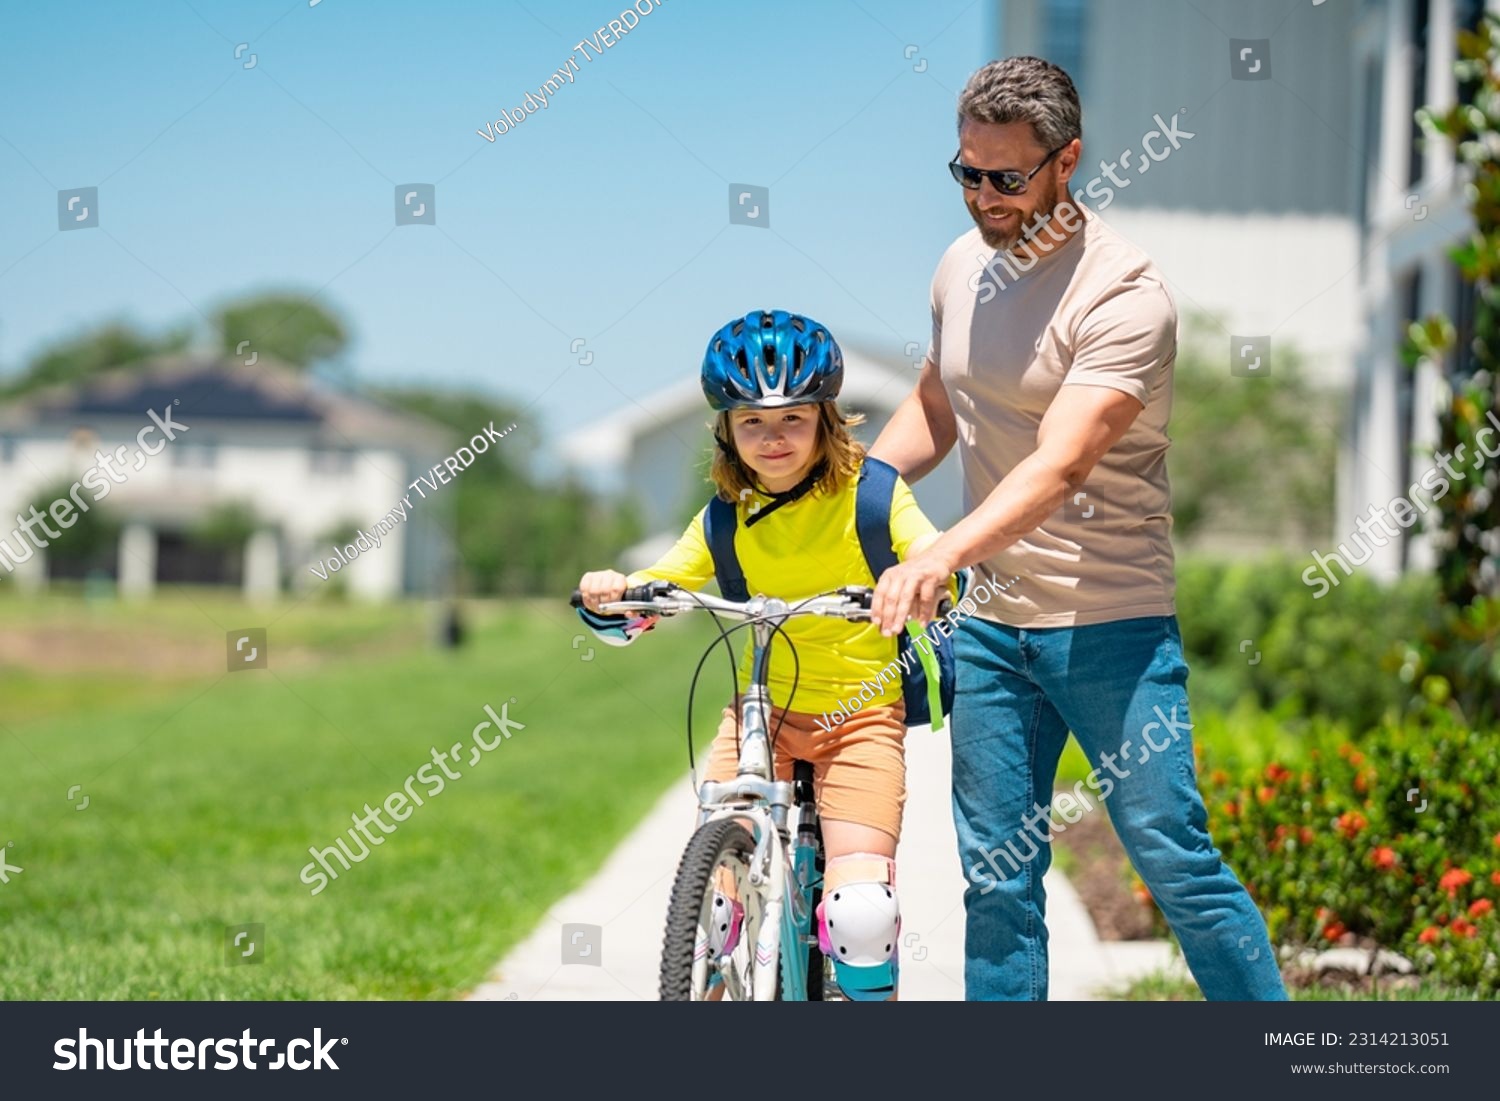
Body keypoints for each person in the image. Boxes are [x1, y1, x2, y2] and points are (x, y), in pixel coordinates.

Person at [866, 57, 1288, 1000]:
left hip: (1114, 630)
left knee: (1175, 862)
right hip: (991, 636)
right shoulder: (960, 269)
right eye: (966, 173)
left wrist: (939, 550)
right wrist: (864, 484)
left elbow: (1059, 466)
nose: (983, 198)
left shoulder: (1126, 296)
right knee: (998, 880)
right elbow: (943, 401)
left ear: (1068, 161)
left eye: (1006, 178)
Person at [576, 308, 958, 1000]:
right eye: (752, 421)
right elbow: (653, 590)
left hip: (860, 719)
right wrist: (612, 596)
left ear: (825, 418)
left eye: (792, 419)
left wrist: (924, 577)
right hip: (762, 714)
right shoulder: (725, 515)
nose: (772, 438)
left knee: (860, 915)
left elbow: (936, 556)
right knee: (714, 906)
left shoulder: (874, 495)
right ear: (726, 430)